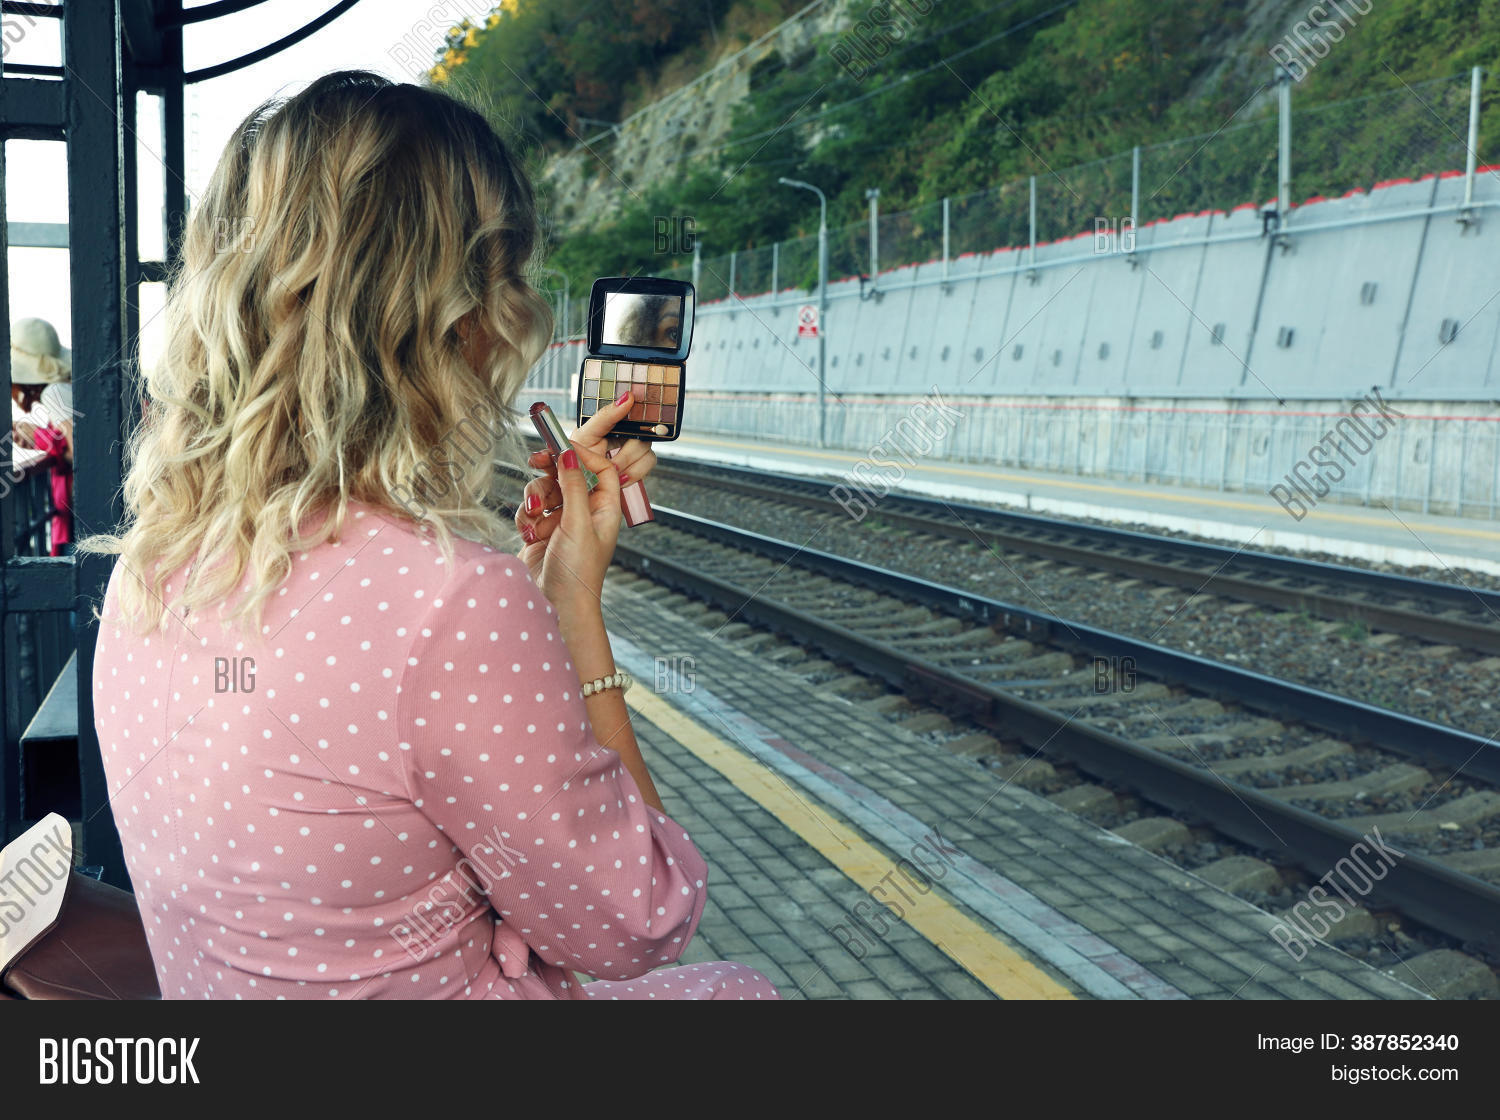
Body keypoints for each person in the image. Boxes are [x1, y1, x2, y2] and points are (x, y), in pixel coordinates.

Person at [82, 71, 779, 1001]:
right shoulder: (451, 604)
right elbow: (641, 917)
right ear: (455, 316)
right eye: (509, 275)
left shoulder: (147, 573)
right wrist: (569, 605)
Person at [9, 318, 74, 553]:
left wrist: (40, 438)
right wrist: (43, 439)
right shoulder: (66, 388)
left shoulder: (54, 393)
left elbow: (80, 457)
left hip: (76, 513)